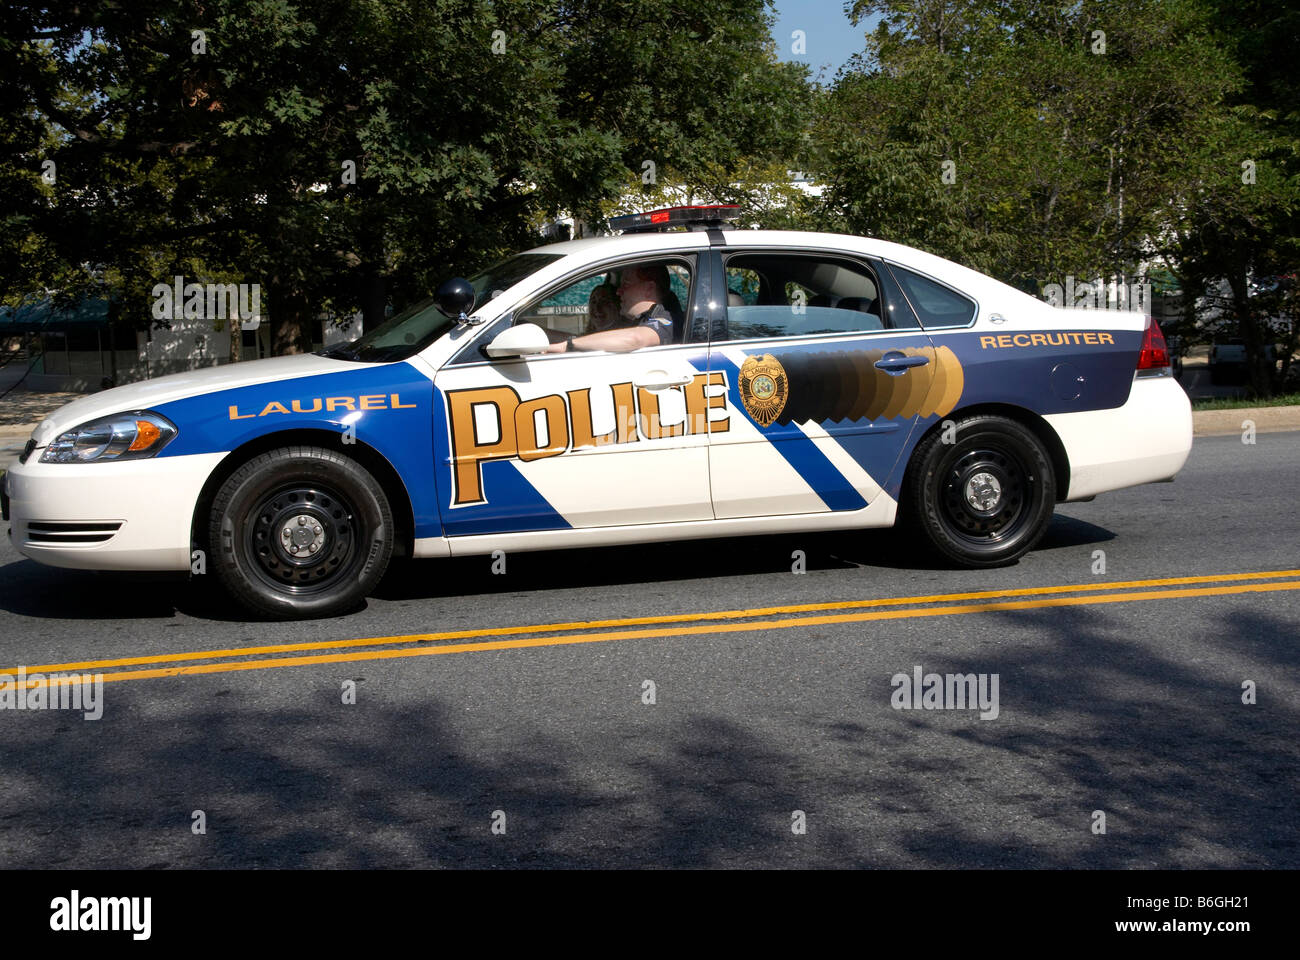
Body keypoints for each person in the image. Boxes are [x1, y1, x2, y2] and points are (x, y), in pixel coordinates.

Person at [546, 263, 678, 353]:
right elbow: (587, 339)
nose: (618, 292)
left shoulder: (665, 319)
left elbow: (634, 339)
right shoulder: (639, 322)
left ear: (649, 288)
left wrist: (568, 345)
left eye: (625, 284)